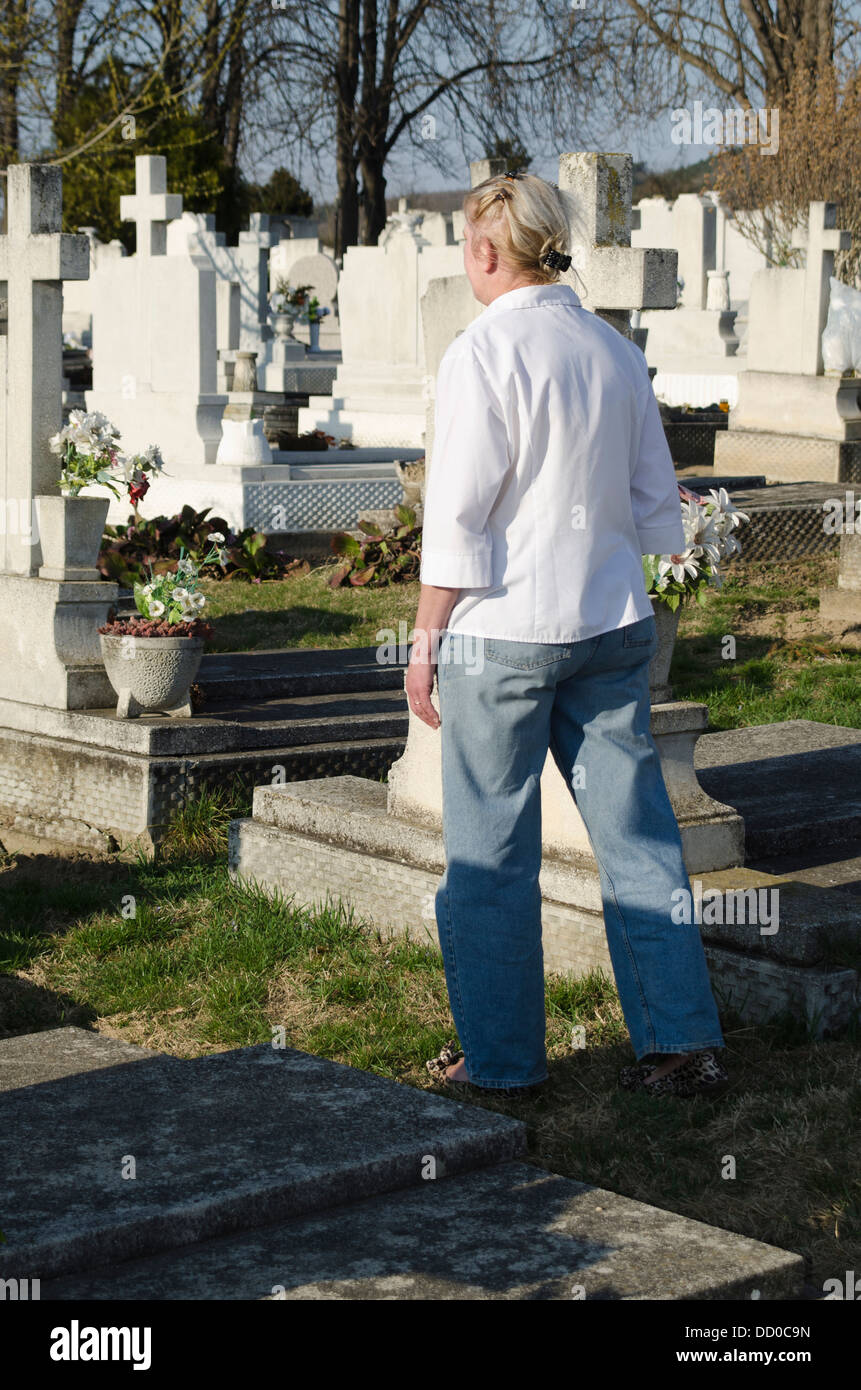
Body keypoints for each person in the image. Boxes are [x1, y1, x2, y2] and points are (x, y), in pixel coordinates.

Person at [406, 171, 728, 1100]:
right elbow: (652, 505)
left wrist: (423, 640)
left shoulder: (482, 355)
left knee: (491, 854)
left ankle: (503, 1063)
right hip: (610, 625)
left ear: (483, 251)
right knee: (636, 840)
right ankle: (681, 1046)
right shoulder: (613, 351)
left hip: (501, 633)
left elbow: (458, 518)